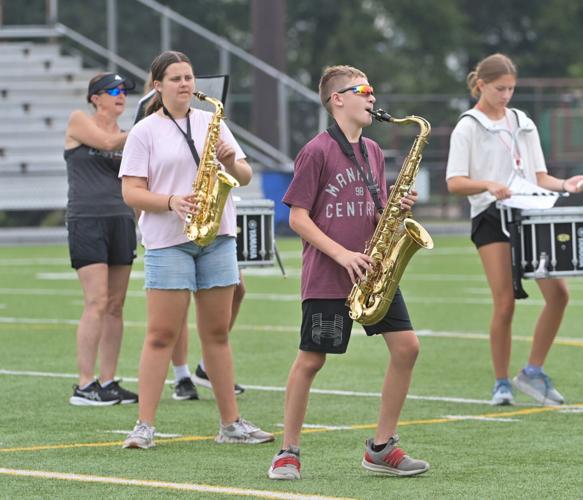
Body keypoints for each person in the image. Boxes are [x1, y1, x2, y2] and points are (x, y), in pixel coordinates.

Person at [267, 65, 429, 480]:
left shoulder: (373, 151)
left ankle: (381, 447)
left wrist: (394, 206)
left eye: (372, 91)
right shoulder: (317, 151)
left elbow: (374, 212)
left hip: (374, 270)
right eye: (364, 91)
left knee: (407, 347)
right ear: (337, 99)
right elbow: (298, 218)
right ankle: (288, 451)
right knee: (312, 360)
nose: (372, 98)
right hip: (330, 272)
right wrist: (341, 255)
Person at [118, 50, 273, 449]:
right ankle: (144, 426)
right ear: (158, 86)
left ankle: (231, 424)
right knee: (161, 335)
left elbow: (243, 174)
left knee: (217, 333)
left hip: (216, 236)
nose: (186, 84)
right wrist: (170, 201)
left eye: (189, 77)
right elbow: (130, 190)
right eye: (176, 78)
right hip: (169, 241)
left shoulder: (211, 121)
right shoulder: (145, 131)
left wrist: (230, 162)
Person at [446, 53, 583, 406]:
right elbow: (455, 182)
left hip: (530, 214)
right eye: (499, 88)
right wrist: (488, 184)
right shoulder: (468, 126)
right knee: (504, 303)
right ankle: (501, 383)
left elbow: (539, 177)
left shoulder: (522, 121)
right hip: (491, 216)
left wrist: (565, 184)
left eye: (511, 88)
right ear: (480, 85)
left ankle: (533, 372)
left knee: (559, 294)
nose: (506, 95)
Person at [65, 72, 139, 406]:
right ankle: (85, 383)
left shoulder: (127, 135)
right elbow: (107, 144)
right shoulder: (79, 120)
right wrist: (144, 127)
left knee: (115, 305)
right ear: (95, 97)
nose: (120, 95)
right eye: (113, 90)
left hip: (121, 220)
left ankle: (108, 381)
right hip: (87, 219)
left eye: (124, 91)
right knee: (96, 301)